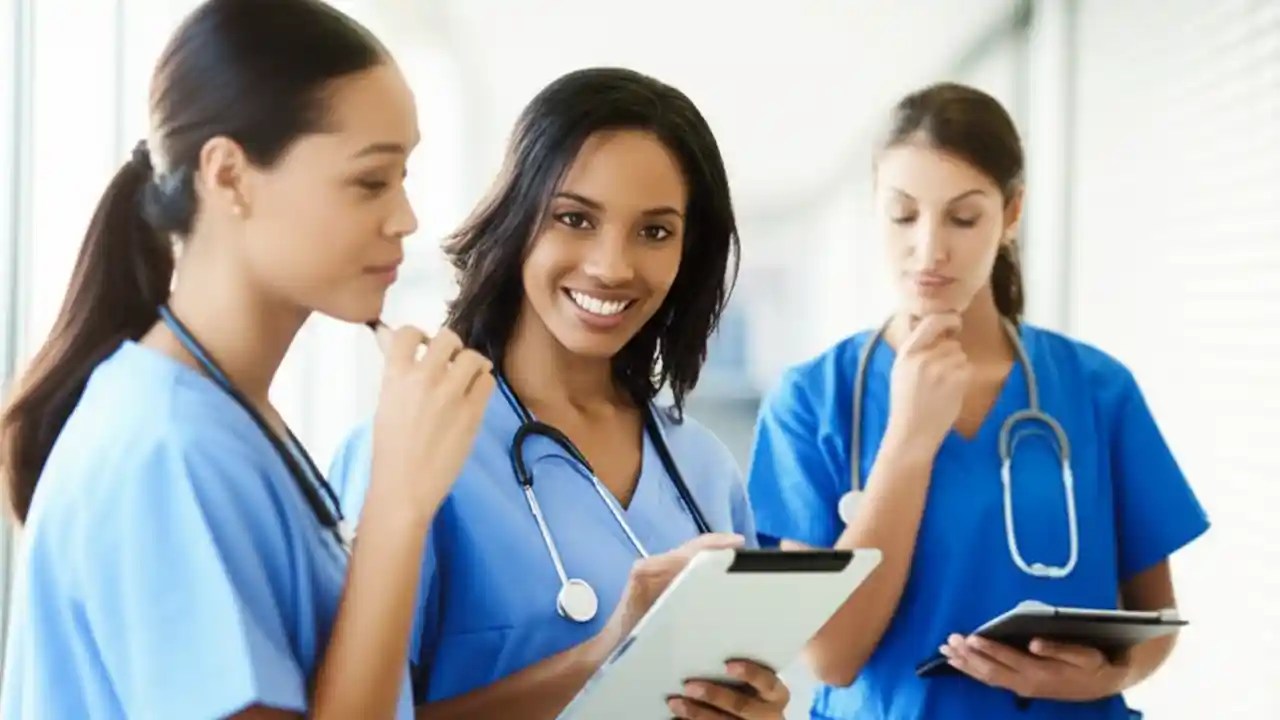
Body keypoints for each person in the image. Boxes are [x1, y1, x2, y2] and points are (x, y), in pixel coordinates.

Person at [0, 1, 496, 718]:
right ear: (229, 175)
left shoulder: (229, 419)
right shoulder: (165, 450)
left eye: (404, 176)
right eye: (371, 181)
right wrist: (398, 505)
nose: (406, 218)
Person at [328, 67, 791, 720]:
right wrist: (608, 655)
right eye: (575, 219)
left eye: (655, 232)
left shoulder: (705, 469)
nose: (612, 266)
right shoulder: (410, 451)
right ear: (518, 219)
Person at [744, 81, 1210, 719]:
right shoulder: (811, 401)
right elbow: (832, 657)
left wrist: (1102, 678)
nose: (930, 249)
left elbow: (1155, 618)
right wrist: (909, 438)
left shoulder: (1099, 390)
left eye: (963, 218)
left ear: (1011, 213)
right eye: (903, 215)